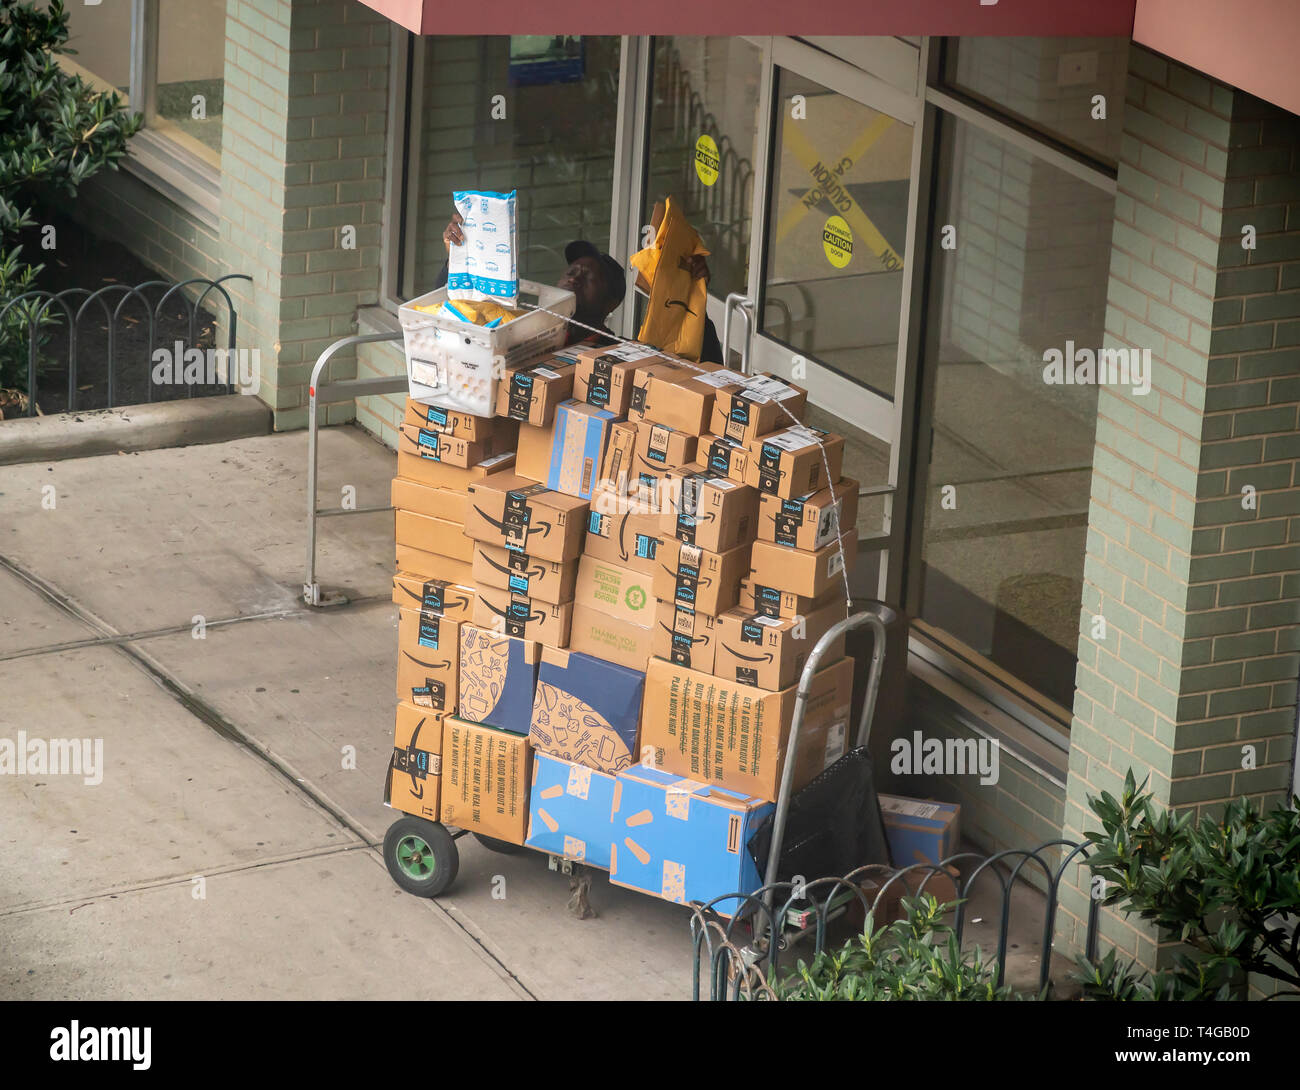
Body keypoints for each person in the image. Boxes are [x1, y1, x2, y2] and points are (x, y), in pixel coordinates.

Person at [439, 211, 723, 362]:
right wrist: (456, 257)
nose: (574, 278)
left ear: (610, 303)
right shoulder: (521, 328)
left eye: (589, 277)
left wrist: (692, 298)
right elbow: (453, 316)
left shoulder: (618, 355)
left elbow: (699, 369)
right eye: (572, 271)